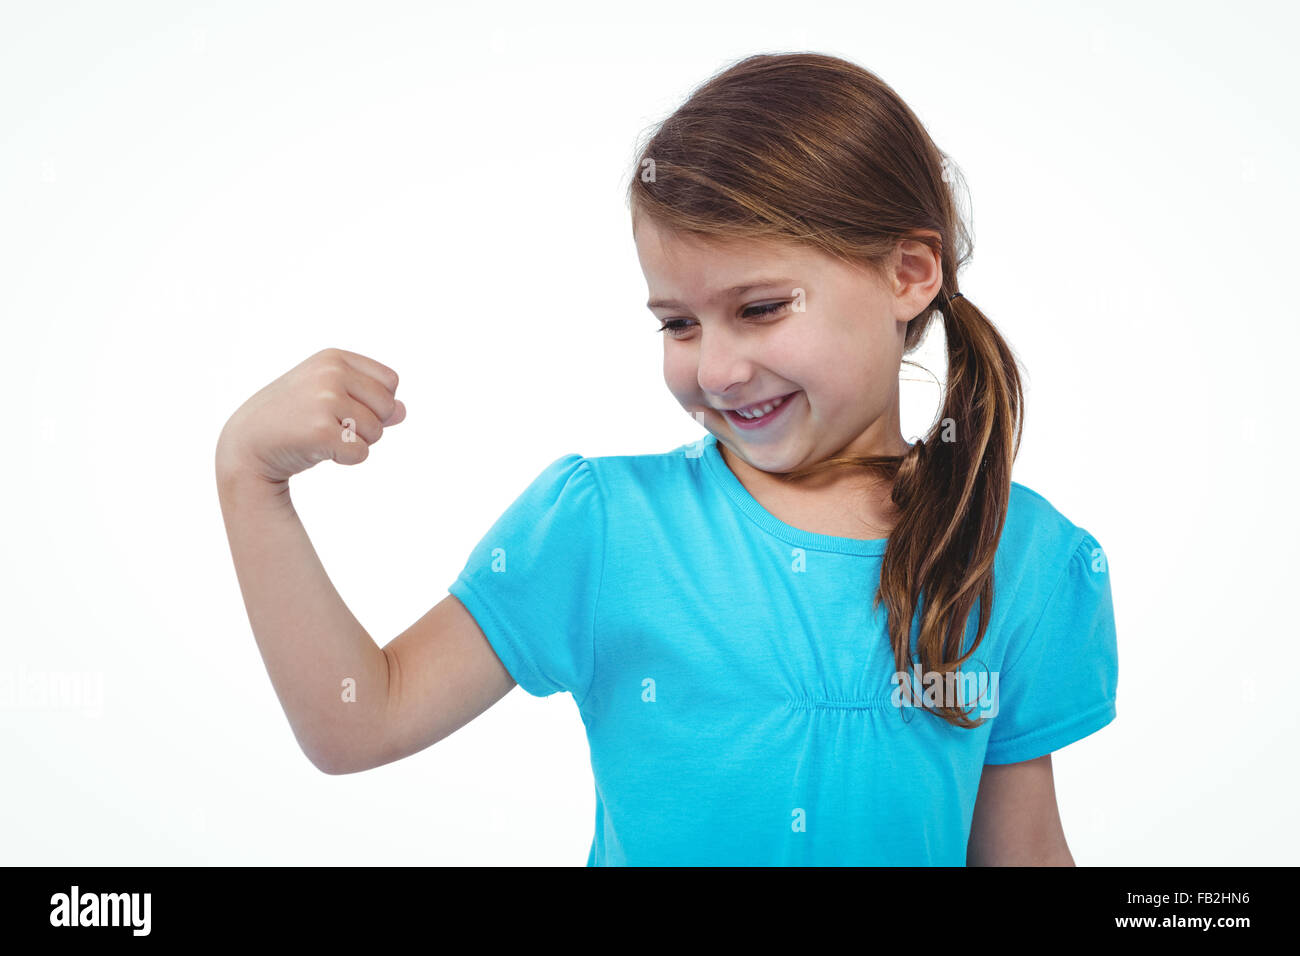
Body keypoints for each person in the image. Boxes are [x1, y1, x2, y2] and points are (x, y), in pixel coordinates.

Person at [215, 52, 1117, 867]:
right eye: (678, 323)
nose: (715, 369)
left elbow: (1023, 852)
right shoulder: (603, 527)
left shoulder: (1017, 554)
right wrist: (251, 482)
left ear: (909, 274)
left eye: (760, 308)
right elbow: (358, 720)